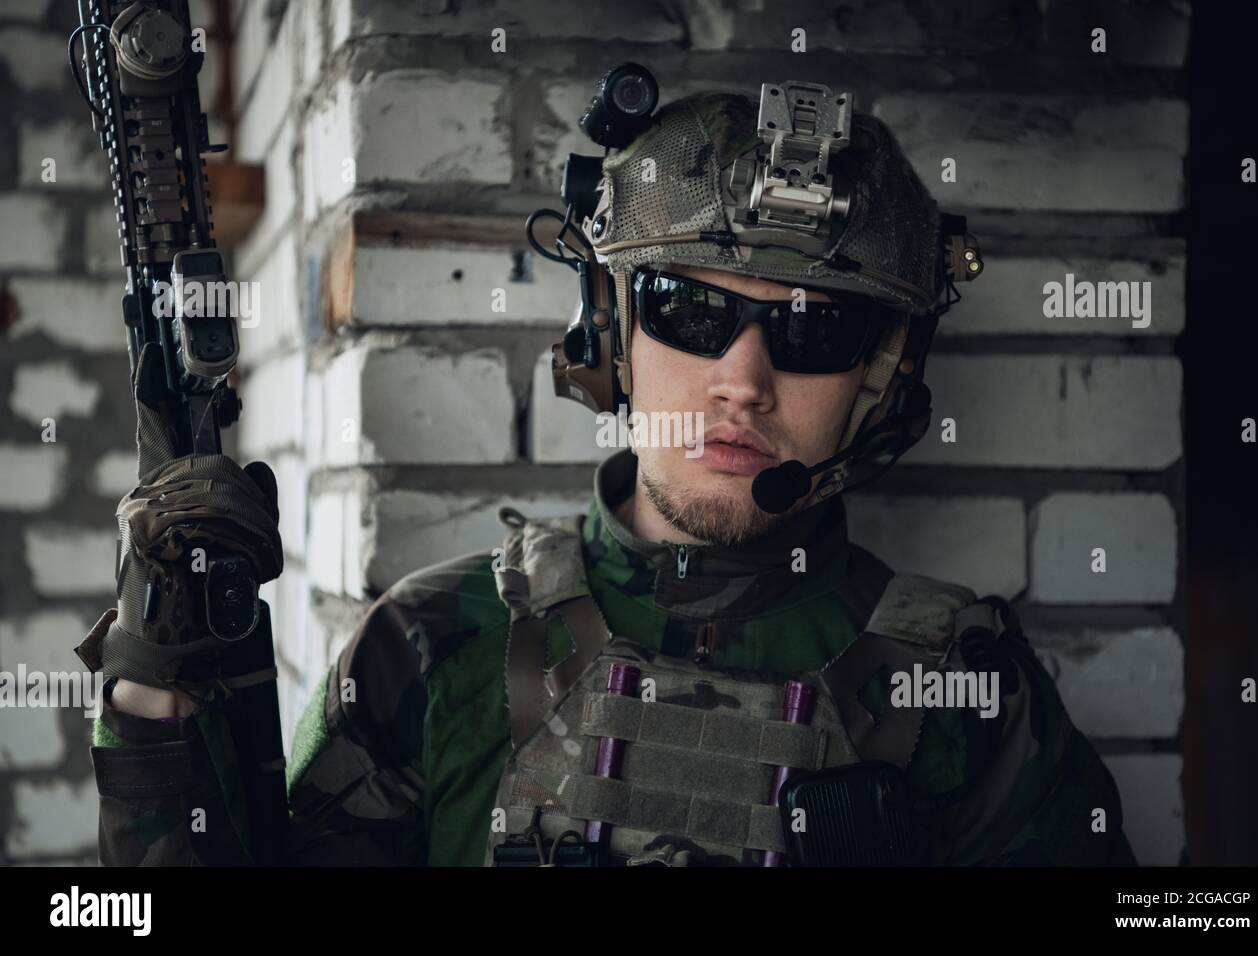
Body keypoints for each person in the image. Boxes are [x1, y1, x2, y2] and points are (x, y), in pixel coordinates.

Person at [82, 82, 1136, 867]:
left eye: (814, 328)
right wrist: (156, 694)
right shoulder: (434, 642)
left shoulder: (971, 691)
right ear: (609, 329)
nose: (742, 381)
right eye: (690, 309)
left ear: (880, 376)